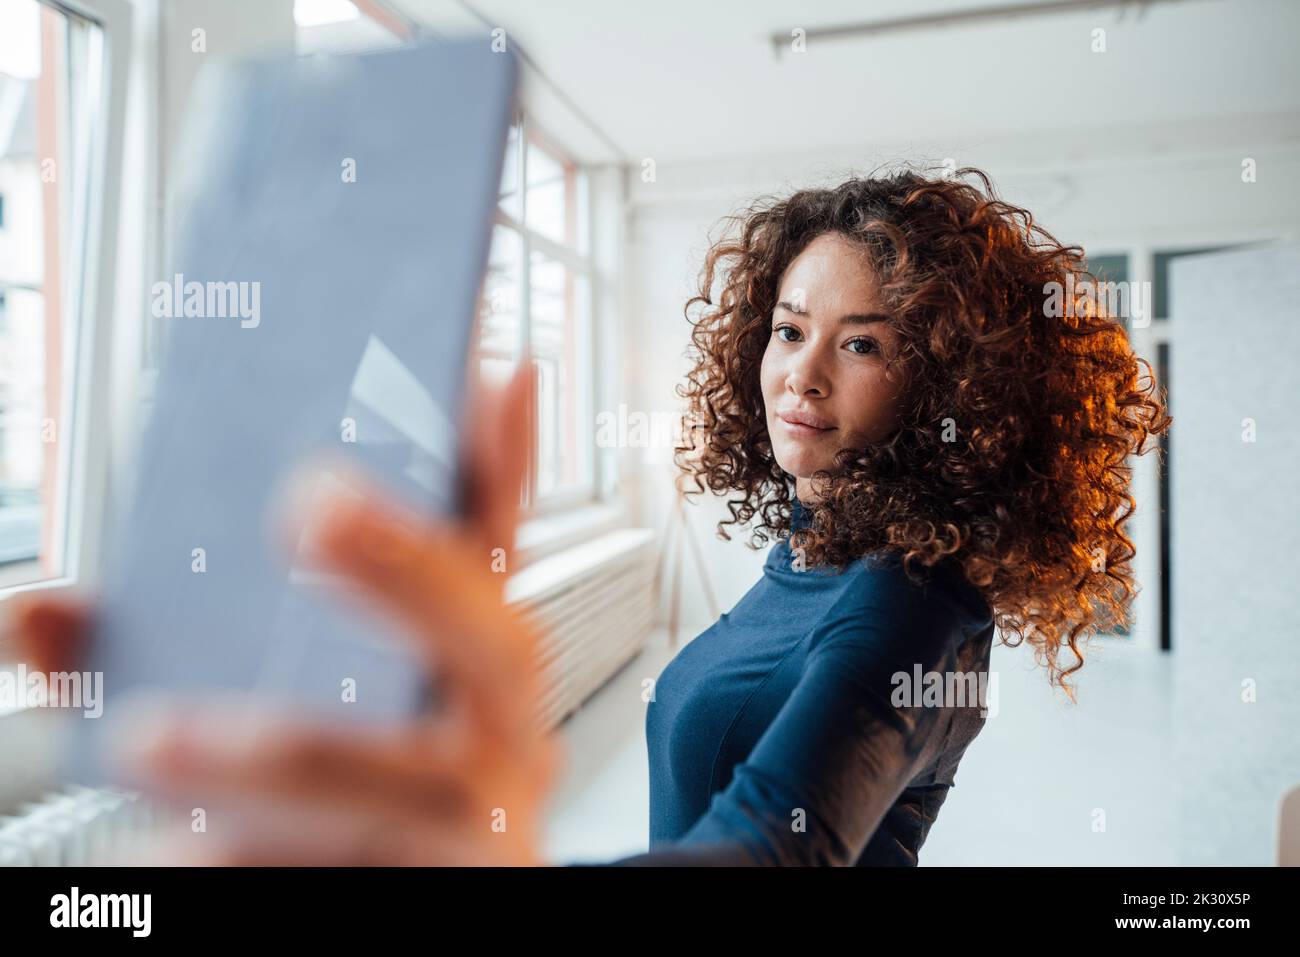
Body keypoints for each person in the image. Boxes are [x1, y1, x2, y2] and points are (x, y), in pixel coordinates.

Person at [10, 166, 1170, 866]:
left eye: (862, 343)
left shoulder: (904, 614)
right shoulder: (815, 552)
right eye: (787, 327)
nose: (800, 375)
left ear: (948, 383)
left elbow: (767, 853)